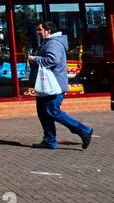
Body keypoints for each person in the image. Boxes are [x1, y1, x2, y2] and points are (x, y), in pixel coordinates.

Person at [29, 20, 95, 150]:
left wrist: (34, 59)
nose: (38, 32)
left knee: (53, 111)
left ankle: (84, 130)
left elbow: (52, 60)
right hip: (45, 85)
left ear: (48, 31)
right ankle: (49, 140)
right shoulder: (48, 43)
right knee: (43, 113)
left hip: (54, 86)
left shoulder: (54, 43)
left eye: (40, 30)